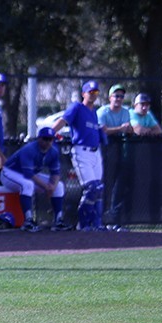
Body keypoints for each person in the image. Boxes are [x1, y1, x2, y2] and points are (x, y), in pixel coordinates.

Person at [53, 81, 107, 231]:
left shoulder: (94, 112)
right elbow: (63, 121)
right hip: (81, 151)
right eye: (90, 92)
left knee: (99, 189)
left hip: (96, 152)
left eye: (95, 92)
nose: (93, 95)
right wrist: (50, 133)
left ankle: (97, 224)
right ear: (83, 93)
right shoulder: (77, 107)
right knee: (92, 188)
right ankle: (83, 225)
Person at [0, 127, 69, 232]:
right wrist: (46, 187)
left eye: (50, 139)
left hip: (26, 175)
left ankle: (58, 220)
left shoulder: (53, 151)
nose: (48, 142)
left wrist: (52, 188)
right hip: (9, 173)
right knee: (28, 184)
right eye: (45, 139)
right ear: (39, 139)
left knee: (59, 186)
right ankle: (28, 221)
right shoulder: (29, 149)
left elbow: (55, 173)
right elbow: (29, 174)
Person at [97, 84, 133, 230]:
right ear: (110, 97)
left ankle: (115, 221)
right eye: (116, 96)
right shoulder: (102, 112)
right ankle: (100, 221)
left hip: (120, 151)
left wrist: (127, 129)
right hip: (105, 150)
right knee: (104, 184)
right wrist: (120, 129)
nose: (119, 99)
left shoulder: (126, 112)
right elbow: (103, 131)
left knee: (119, 186)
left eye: (121, 96)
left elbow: (130, 128)